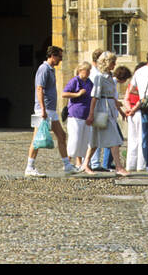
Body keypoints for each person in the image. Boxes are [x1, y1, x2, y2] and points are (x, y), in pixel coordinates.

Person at [25, 45, 77, 177]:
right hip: (43, 109)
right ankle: (29, 167)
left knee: (62, 136)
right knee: (37, 139)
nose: (61, 59)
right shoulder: (44, 69)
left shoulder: (51, 69)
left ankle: (67, 165)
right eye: (59, 56)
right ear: (52, 56)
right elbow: (39, 89)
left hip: (50, 110)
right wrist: (42, 109)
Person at [82, 52, 128, 175]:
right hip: (102, 110)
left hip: (109, 110)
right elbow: (95, 97)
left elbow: (112, 97)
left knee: (94, 141)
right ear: (107, 63)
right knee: (114, 139)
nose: (114, 64)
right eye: (113, 62)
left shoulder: (110, 78)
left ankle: (85, 164)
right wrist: (91, 114)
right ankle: (119, 167)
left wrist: (120, 110)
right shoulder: (99, 78)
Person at [62, 63, 93, 169]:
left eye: (89, 70)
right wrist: (77, 94)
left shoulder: (89, 82)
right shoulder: (75, 81)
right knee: (74, 139)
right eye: (87, 70)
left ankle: (79, 162)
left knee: (83, 140)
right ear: (80, 70)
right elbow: (64, 94)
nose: (88, 73)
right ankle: (67, 162)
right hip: (75, 114)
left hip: (86, 114)